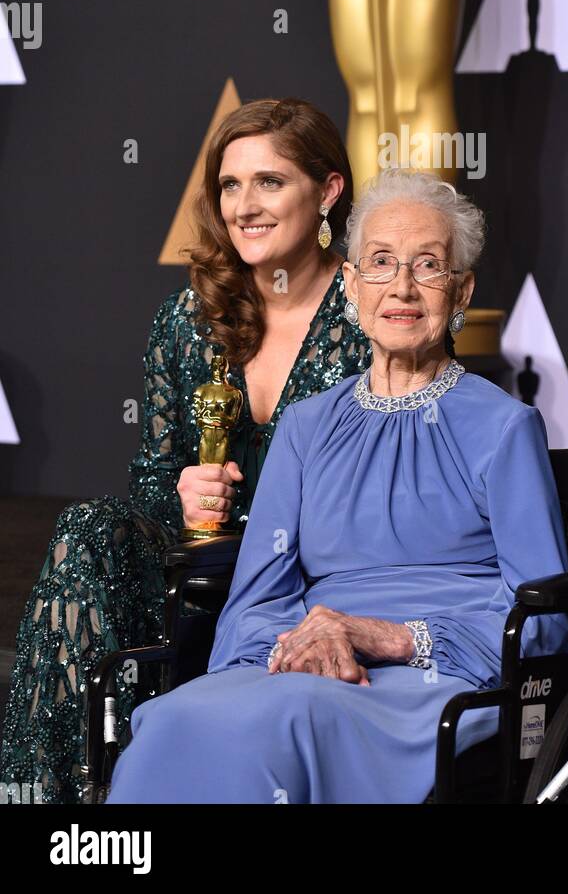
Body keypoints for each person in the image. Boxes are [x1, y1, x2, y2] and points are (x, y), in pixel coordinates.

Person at [105, 168, 568, 804]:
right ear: (351, 286)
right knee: (174, 719)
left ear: (460, 291)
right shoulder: (304, 426)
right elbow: (252, 600)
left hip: (432, 676)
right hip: (303, 660)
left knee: (291, 718)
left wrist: (388, 635)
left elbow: (547, 619)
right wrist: (297, 646)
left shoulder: (504, 427)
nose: (402, 287)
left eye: (428, 266)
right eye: (379, 263)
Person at [0, 98, 369, 804]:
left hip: (317, 574)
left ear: (326, 191)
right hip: (200, 566)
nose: (244, 206)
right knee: (88, 533)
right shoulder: (190, 315)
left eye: (269, 182)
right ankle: (51, 799)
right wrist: (181, 493)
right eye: (229, 186)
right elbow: (150, 477)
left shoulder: (375, 312)